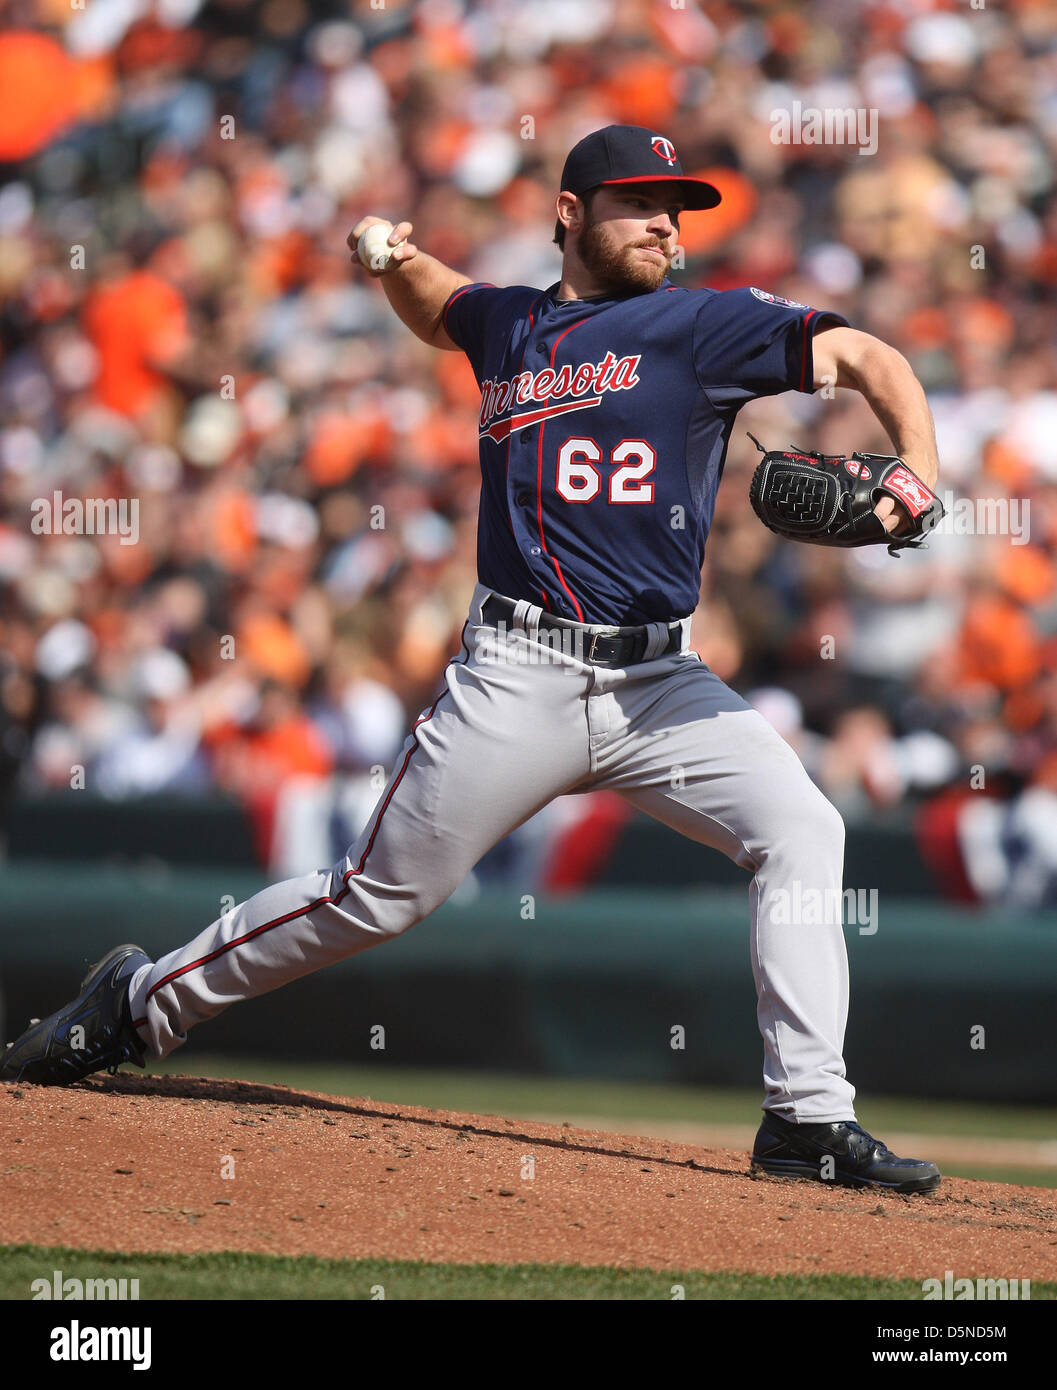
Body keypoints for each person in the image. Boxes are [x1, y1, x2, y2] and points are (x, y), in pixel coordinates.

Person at [2, 126, 942, 1194]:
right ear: (569, 212)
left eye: (672, 206)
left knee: (803, 830)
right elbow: (445, 305)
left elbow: (871, 356)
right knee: (374, 897)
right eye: (636, 201)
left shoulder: (703, 324)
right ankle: (136, 1003)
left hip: (660, 682)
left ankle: (807, 1118)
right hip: (520, 671)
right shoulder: (512, 322)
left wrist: (917, 470)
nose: (662, 223)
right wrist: (396, 263)